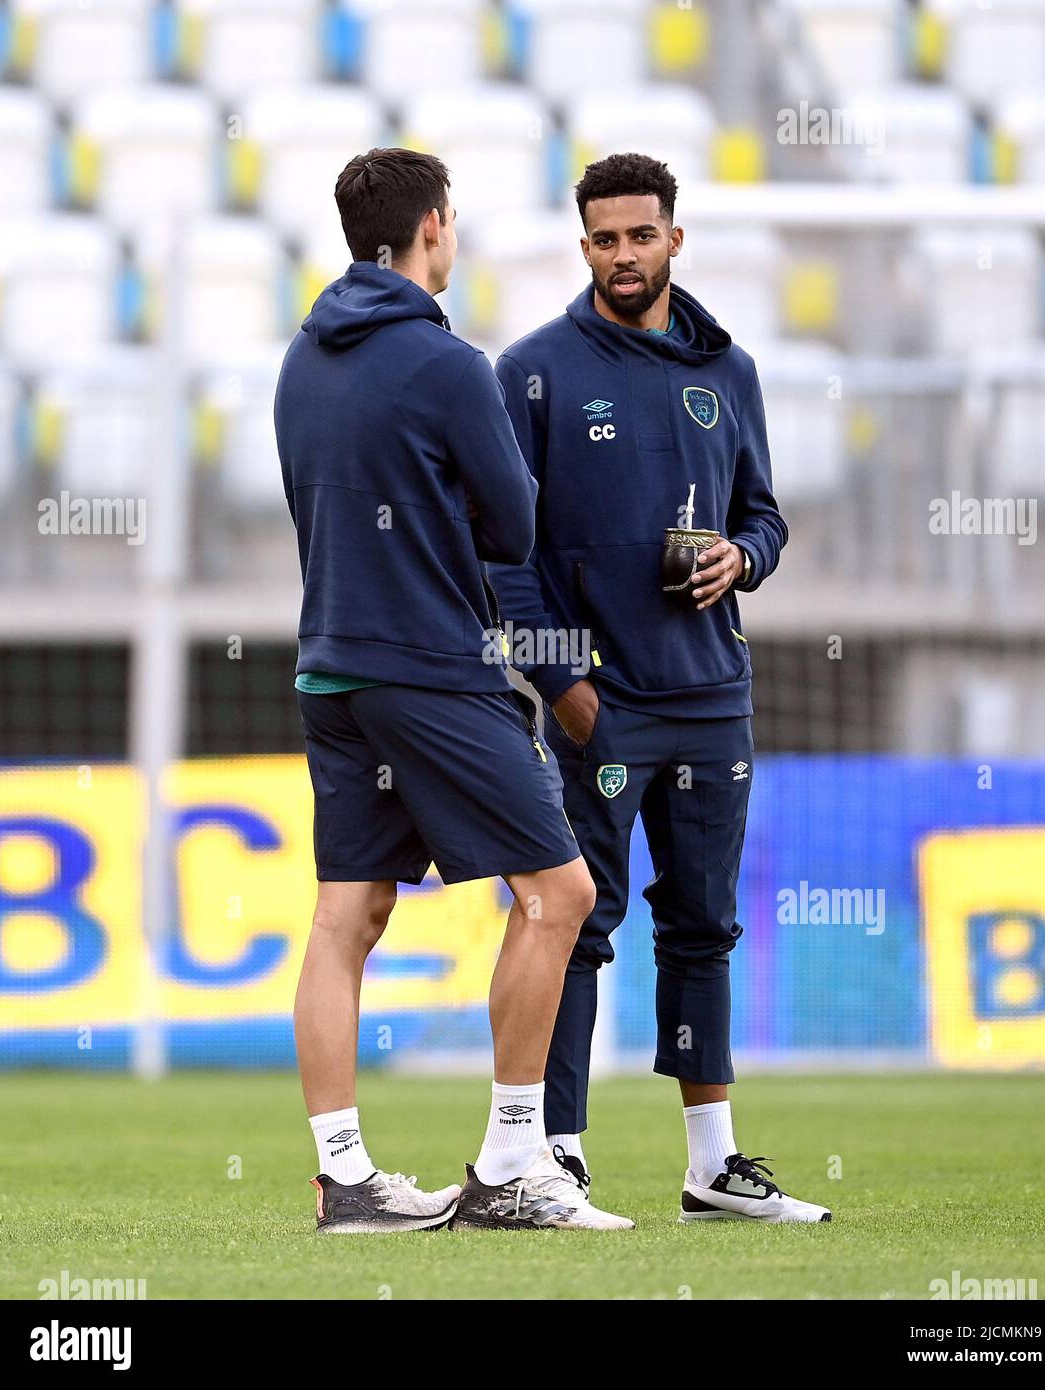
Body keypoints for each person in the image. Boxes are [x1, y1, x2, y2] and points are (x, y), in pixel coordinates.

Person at [275, 147, 631, 1233]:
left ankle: (343, 1177)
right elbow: (513, 526)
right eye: (454, 220)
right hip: (431, 666)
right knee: (557, 895)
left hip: (329, 662)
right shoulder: (446, 364)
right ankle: (510, 1166)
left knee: (347, 915)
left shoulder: (300, 357)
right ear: (431, 227)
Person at [489, 152, 830, 1223]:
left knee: (702, 927)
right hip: (601, 703)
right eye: (603, 238)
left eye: (641, 235)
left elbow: (765, 513)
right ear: (581, 244)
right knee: (574, 924)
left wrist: (746, 557)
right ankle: (558, 1152)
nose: (623, 255)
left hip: (712, 693)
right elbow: (501, 552)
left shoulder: (726, 369)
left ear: (674, 238)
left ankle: (711, 1165)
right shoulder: (533, 370)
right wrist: (564, 685)